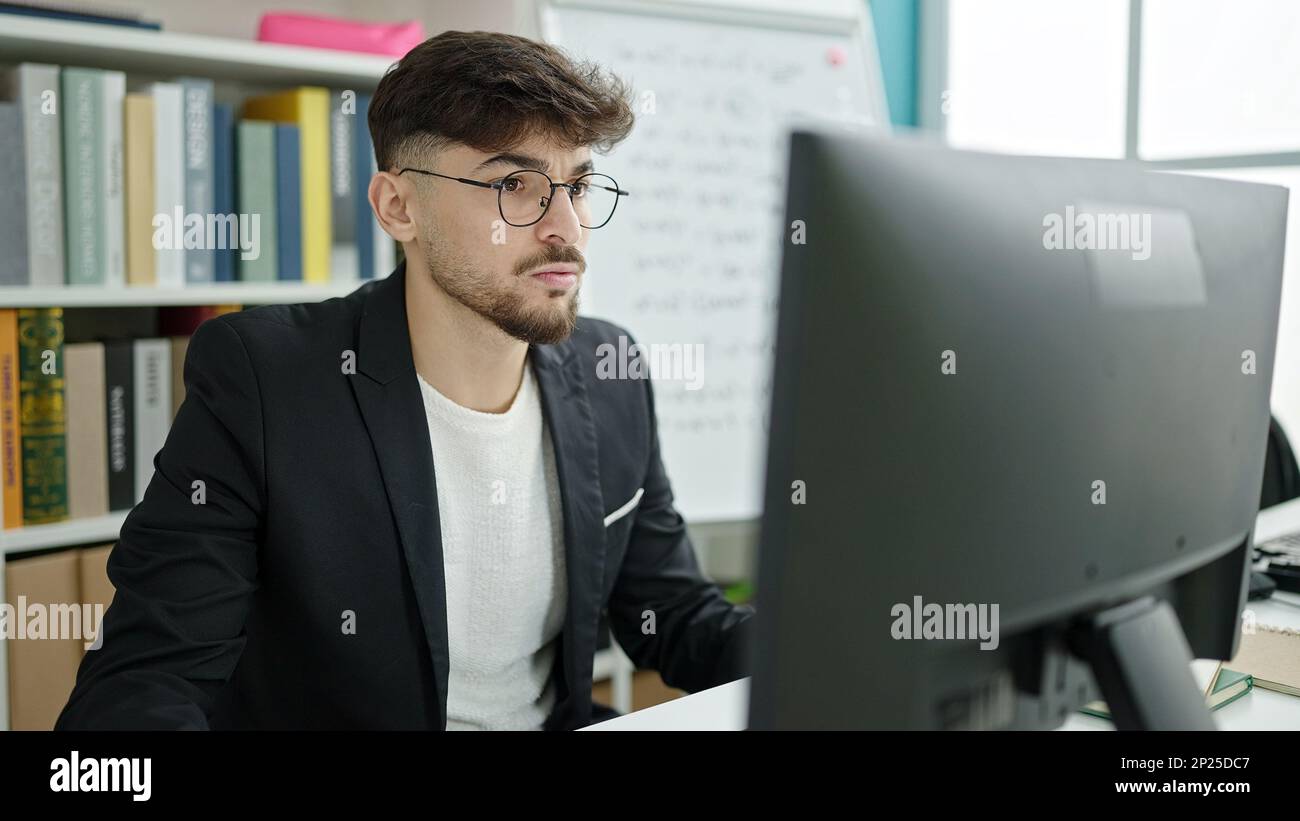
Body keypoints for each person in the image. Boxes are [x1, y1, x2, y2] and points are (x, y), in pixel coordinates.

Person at [56, 30, 753, 731]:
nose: (566, 227)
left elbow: (677, 618)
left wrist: (837, 639)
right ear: (398, 207)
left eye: (576, 184)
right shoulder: (268, 381)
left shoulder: (611, 373)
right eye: (516, 185)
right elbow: (141, 685)